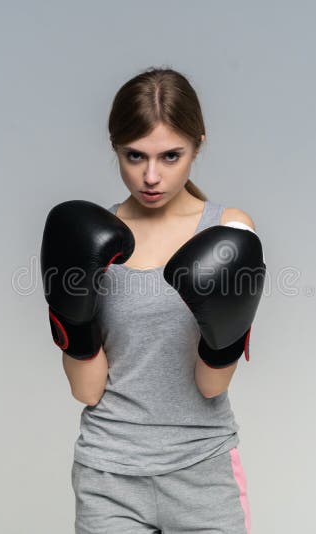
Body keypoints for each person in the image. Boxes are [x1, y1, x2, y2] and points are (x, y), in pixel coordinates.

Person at [41, 67, 265, 533]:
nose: (150, 176)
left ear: (197, 145)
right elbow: (87, 390)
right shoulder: (88, 237)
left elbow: (211, 387)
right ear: (115, 148)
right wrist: (72, 320)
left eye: (170, 156)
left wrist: (225, 334)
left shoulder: (228, 231)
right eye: (134, 155)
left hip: (201, 470)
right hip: (109, 473)